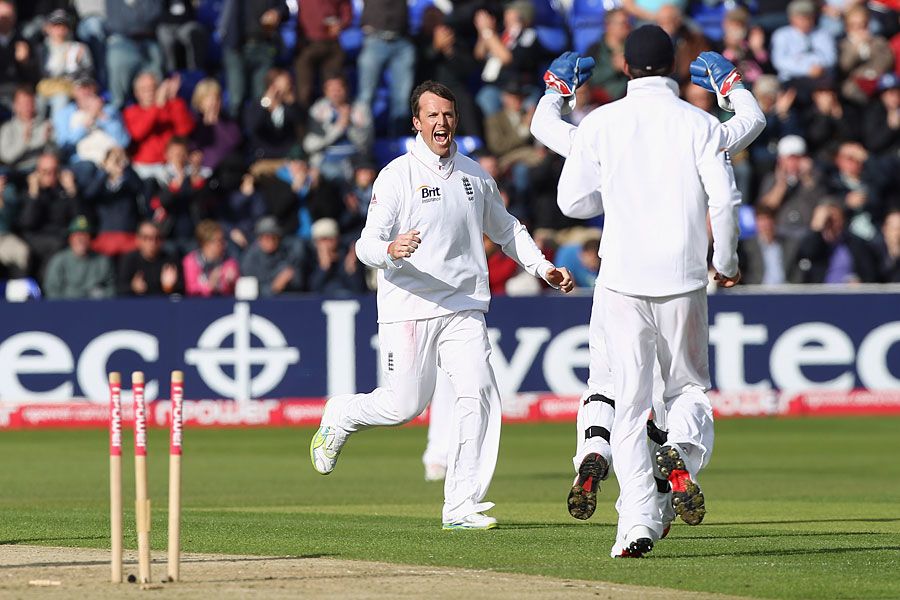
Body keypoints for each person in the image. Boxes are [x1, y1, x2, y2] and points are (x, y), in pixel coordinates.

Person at [310, 81, 575, 530]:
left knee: (480, 394)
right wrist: (390, 249)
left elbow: (506, 229)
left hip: (463, 306)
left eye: (448, 115)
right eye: (432, 116)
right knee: (403, 406)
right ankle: (341, 414)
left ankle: (460, 504)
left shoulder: (475, 174)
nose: (442, 123)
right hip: (410, 304)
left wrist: (541, 266)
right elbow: (364, 245)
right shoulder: (398, 175)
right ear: (417, 122)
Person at [530, 48, 764, 532]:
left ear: (625, 64)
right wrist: (733, 86)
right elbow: (749, 127)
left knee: (620, 393)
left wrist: (557, 93)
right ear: (674, 64)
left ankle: (621, 499)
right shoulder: (698, 125)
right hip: (681, 279)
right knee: (687, 388)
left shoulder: (603, 124)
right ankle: (677, 447)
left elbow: (568, 191)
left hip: (621, 280)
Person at [44, 214, 115, 299]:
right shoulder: (59, 261)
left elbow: (111, 291)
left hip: (95, 309)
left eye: (85, 235)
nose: (81, 239)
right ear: (70, 238)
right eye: (77, 235)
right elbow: (51, 291)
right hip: (66, 309)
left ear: (91, 238)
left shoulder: (103, 261)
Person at [240, 216, 306, 295]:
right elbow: (249, 291)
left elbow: (299, 282)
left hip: (288, 299)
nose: (271, 241)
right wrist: (273, 287)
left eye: (274, 237)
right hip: (261, 304)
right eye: (267, 237)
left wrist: (289, 280)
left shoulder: (287, 252)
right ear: (259, 239)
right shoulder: (250, 259)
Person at [117, 220, 183, 296]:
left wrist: (169, 288)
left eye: (157, 238)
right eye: (147, 238)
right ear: (138, 240)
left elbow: (181, 292)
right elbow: (119, 289)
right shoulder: (129, 260)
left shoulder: (170, 260)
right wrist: (133, 287)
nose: (152, 242)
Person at [182, 220, 240, 297]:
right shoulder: (191, 261)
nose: (224, 244)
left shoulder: (229, 262)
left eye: (223, 240)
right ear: (206, 243)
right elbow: (191, 289)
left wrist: (231, 283)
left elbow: (235, 289)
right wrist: (209, 286)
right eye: (219, 241)